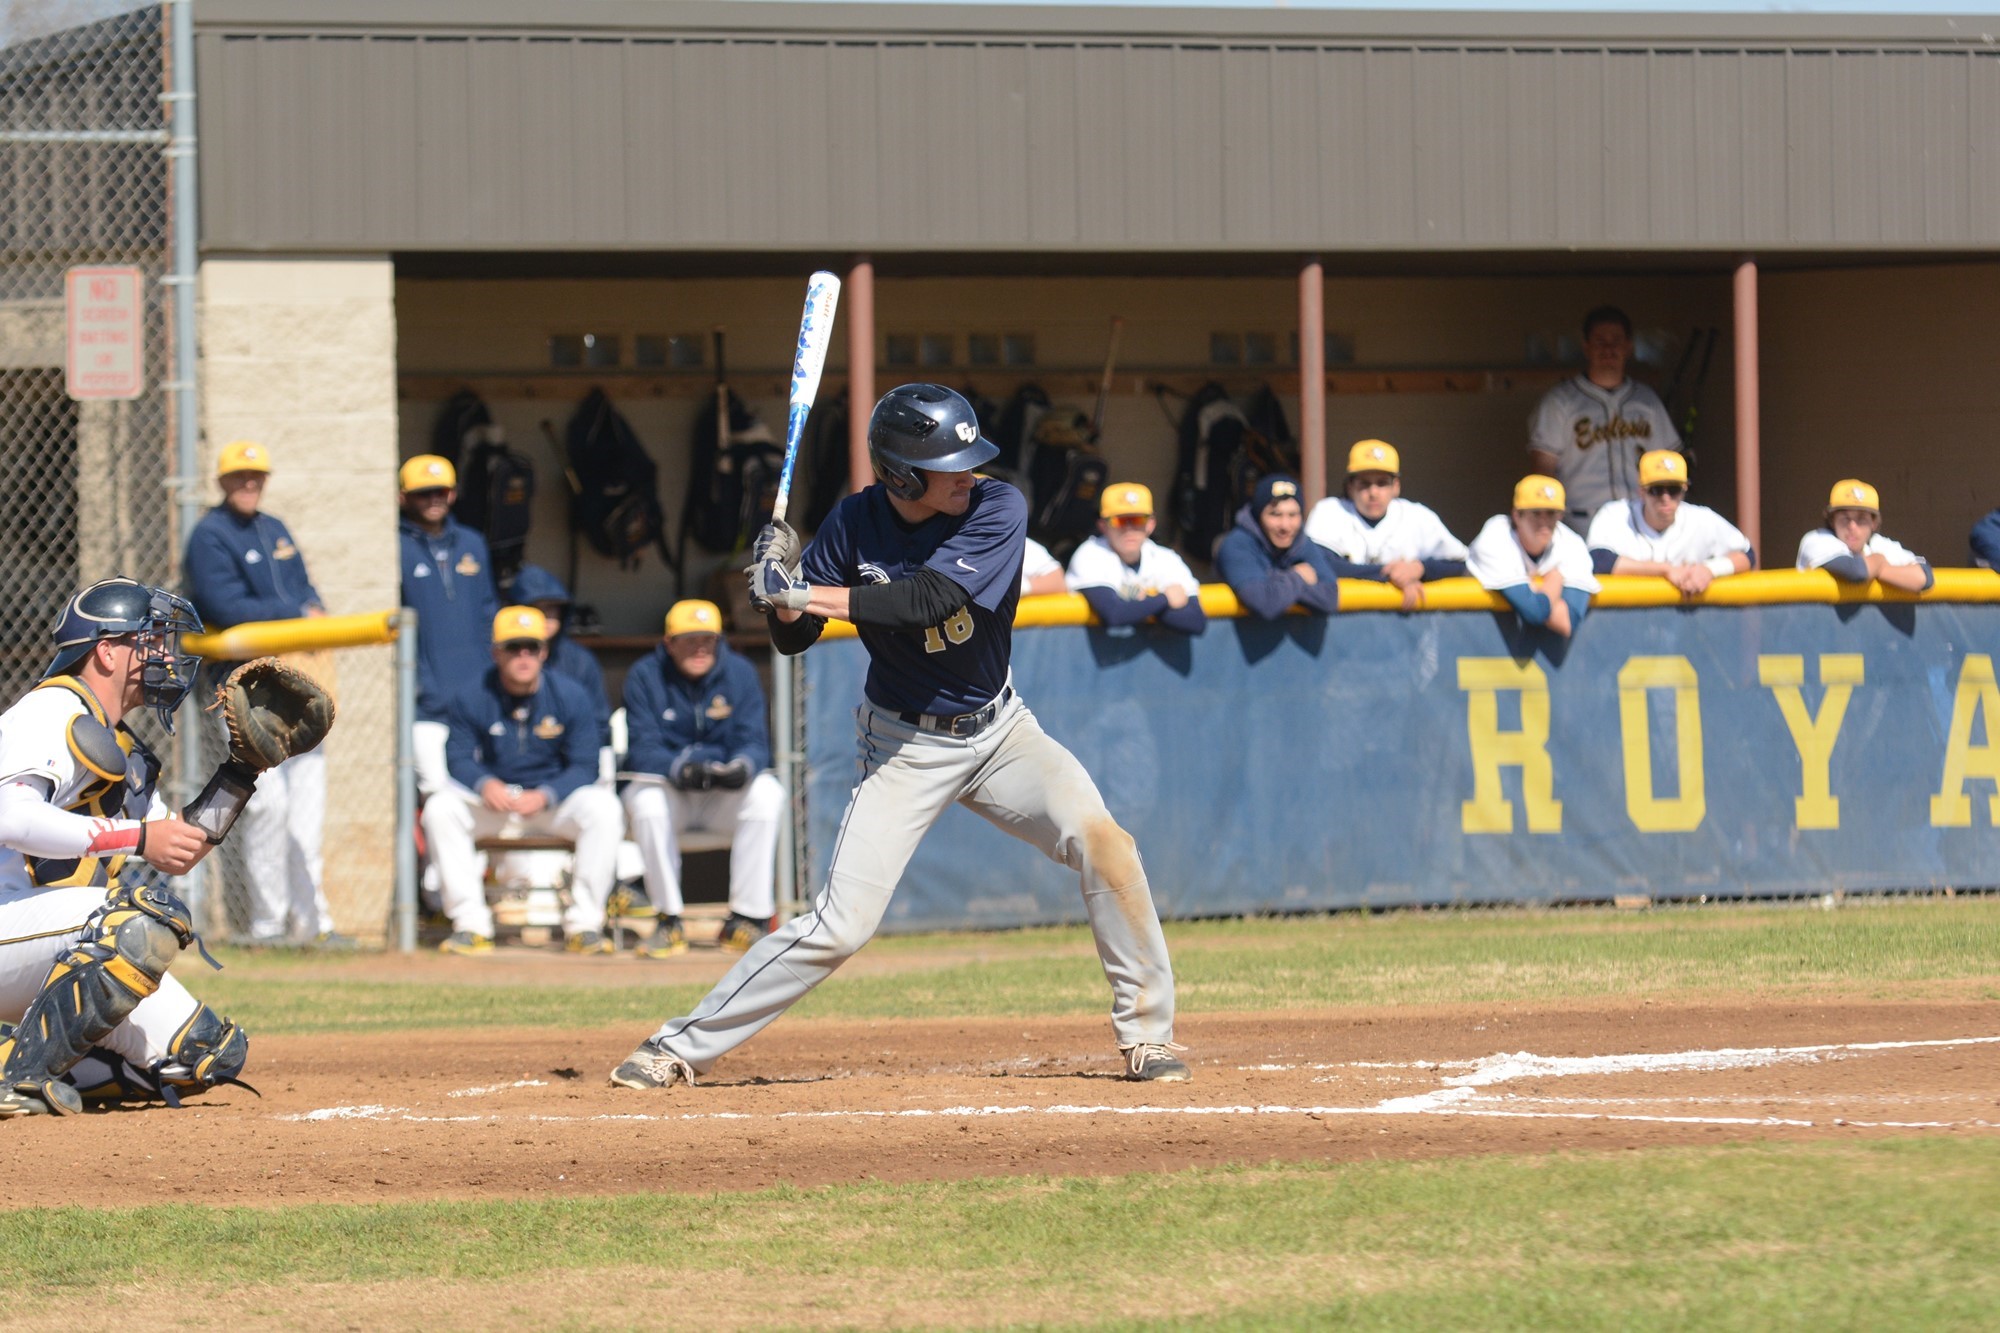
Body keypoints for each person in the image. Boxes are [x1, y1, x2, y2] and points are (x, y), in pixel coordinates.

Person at [610, 383, 1187, 1091]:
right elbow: (796, 639)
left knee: (1106, 843)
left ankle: (1149, 1036)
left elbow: (928, 600)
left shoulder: (997, 507)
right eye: (952, 463)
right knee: (840, 925)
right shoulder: (854, 522)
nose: (969, 473)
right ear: (901, 475)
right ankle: (676, 1046)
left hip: (1003, 730)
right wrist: (775, 586)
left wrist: (800, 592)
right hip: (904, 745)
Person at [0, 579, 249, 1117]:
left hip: (35, 945)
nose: (166, 655)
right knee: (132, 920)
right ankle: (15, 1081)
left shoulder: (122, 749)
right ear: (107, 651)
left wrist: (242, 773)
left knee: (203, 1054)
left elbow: (176, 850)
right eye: (151, 641)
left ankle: (10, 1054)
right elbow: (11, 817)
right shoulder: (49, 711)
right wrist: (136, 837)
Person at [182, 439, 342, 949]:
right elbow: (226, 605)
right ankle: (269, 925)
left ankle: (313, 923)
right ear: (223, 482)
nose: (248, 484)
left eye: (256, 477)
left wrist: (306, 606)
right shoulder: (210, 535)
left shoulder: (275, 529)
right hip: (241, 689)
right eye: (239, 477)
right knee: (268, 805)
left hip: (291, 684)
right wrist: (295, 611)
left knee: (307, 812)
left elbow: (308, 591)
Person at [421, 607, 626, 955]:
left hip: (552, 802)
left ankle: (585, 925)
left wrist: (546, 794)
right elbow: (456, 757)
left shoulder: (571, 694)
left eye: (531, 647)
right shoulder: (472, 695)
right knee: (440, 809)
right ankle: (470, 924)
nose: (523, 656)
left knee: (605, 808)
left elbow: (585, 764)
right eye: (513, 648)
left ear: (544, 651)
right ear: (496, 652)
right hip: (496, 803)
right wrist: (485, 783)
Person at [621, 599, 782, 958]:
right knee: (645, 801)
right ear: (669, 643)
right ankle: (668, 919)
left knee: (768, 792)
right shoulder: (646, 675)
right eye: (689, 639)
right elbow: (641, 749)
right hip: (671, 791)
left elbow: (755, 742)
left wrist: (741, 767)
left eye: (707, 639)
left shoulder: (738, 672)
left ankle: (746, 919)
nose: (699, 648)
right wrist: (680, 768)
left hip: (720, 794)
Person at [1528, 306, 1682, 532]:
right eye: (1600, 341)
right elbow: (1543, 468)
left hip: (1638, 520)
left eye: (1616, 341)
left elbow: (1670, 464)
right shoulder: (1560, 402)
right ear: (1586, 346)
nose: (1609, 349)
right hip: (1580, 521)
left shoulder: (1647, 401)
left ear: (1628, 347)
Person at [398, 455, 499, 796]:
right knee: (438, 791)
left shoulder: (472, 542)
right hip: (427, 704)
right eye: (423, 493)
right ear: (403, 498)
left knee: (482, 794)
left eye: (440, 491)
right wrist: (422, 685)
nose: (433, 500)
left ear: (453, 494)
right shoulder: (395, 545)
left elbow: (488, 613)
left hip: (479, 697)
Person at [1303, 440, 1469, 610]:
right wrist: (1388, 574)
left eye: (1382, 483)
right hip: (1342, 621)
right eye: (1364, 484)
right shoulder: (1330, 511)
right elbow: (1318, 564)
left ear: (1395, 486)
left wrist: (1421, 568)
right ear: (1350, 487)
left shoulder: (1418, 516)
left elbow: (1464, 564)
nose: (1373, 493)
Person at [1585, 450, 1752, 596]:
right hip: (1629, 622)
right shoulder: (1616, 514)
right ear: (1642, 492)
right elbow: (1599, 560)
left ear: (1684, 489)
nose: (1666, 499)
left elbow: (1748, 555)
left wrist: (1710, 570)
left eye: (1673, 490)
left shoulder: (1701, 518)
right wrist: (1665, 570)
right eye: (1656, 490)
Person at [1064, 482, 1206, 634]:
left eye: (1137, 520)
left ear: (1150, 525)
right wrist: (1164, 598)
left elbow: (1196, 623)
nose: (1129, 529)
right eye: (1120, 520)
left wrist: (1140, 606)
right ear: (1103, 526)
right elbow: (1114, 615)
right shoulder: (1090, 554)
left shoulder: (1164, 558)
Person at [1467, 476, 1600, 638]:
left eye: (1551, 513)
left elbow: (1568, 622)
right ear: (1517, 516)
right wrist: (1554, 579)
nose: (1544, 522)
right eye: (1536, 513)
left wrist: (1531, 588)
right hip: (1465, 633)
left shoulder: (1571, 543)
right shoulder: (1495, 537)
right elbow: (1535, 611)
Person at [508, 564, 611, 746]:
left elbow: (599, 723)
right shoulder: (500, 658)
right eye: (536, 609)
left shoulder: (580, 661)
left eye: (552, 609)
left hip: (567, 759)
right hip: (514, 760)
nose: (546, 617)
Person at [1214, 473, 1341, 620]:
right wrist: (1297, 577)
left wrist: (1273, 582)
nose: (1285, 526)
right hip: (1227, 638)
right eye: (1275, 514)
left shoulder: (1302, 542)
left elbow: (1330, 599)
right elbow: (1264, 603)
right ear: (1258, 515)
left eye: (1292, 515)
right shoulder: (1236, 544)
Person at [1796, 480, 1934, 592]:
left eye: (1861, 519)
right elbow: (1856, 571)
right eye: (1845, 519)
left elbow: (1925, 577)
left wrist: (1877, 570)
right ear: (1832, 521)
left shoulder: (1878, 544)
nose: (1852, 527)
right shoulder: (1817, 539)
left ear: (1873, 523)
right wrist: (1879, 560)